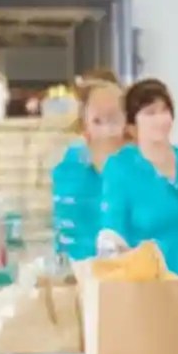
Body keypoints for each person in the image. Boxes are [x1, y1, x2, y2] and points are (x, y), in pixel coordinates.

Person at [97, 78, 178, 285]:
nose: (160, 118)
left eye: (164, 110)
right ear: (132, 125)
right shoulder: (121, 169)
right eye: (150, 113)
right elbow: (112, 235)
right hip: (152, 291)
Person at [52, 80, 127, 261]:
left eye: (114, 119)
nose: (107, 130)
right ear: (85, 129)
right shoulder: (70, 166)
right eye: (97, 121)